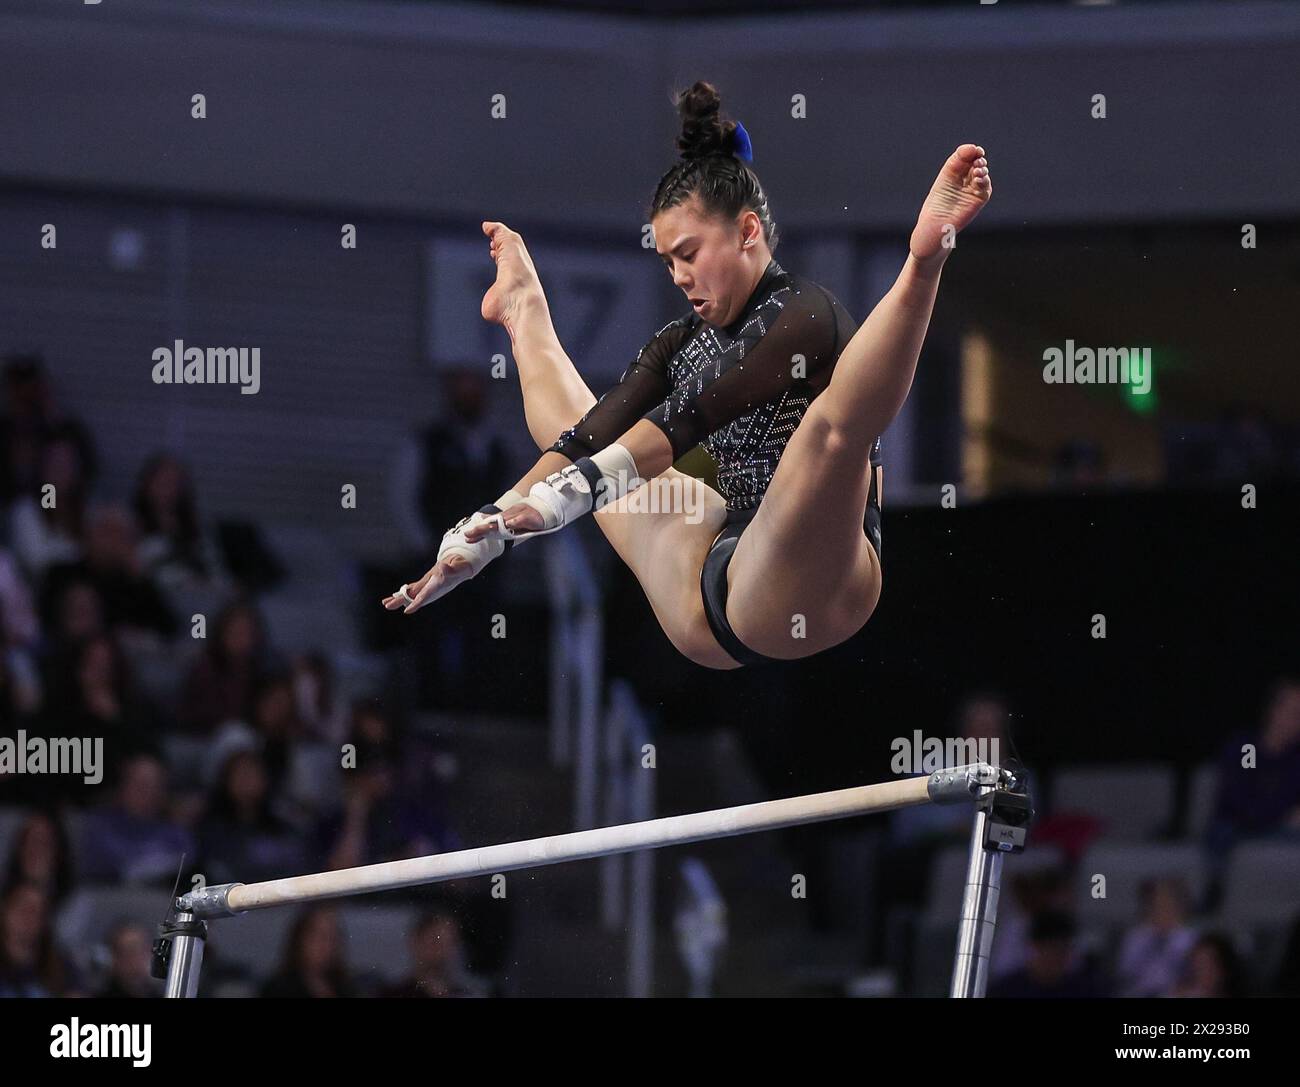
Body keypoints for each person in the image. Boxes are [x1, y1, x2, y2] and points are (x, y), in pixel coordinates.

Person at [384, 80, 992, 669]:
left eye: (690, 254)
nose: (678, 277)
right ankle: (523, 311)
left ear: (748, 231)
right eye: (667, 260)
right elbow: (587, 440)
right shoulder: (679, 344)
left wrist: (555, 505)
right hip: (718, 595)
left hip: (820, 583)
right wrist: (486, 534)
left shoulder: (804, 316)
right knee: (596, 441)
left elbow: (685, 420)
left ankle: (922, 265)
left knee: (827, 431)